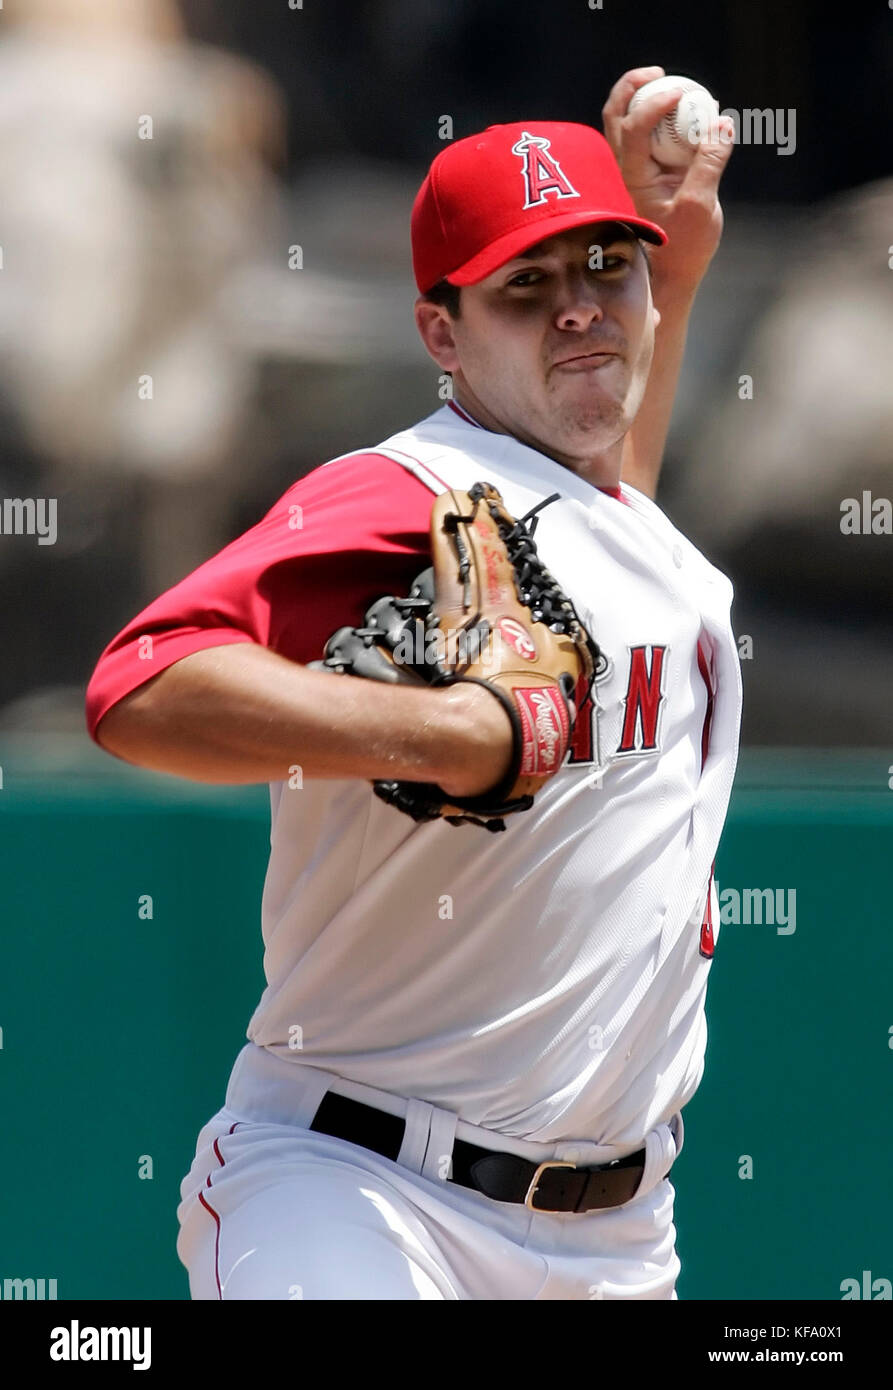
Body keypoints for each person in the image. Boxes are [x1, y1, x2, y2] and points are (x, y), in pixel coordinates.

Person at [85, 68, 740, 1300]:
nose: (579, 311)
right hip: (359, 1192)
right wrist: (443, 728)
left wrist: (681, 264)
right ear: (441, 332)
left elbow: (601, 506)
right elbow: (142, 685)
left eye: (607, 266)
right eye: (524, 288)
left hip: (615, 1235)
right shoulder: (406, 494)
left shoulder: (623, 530)